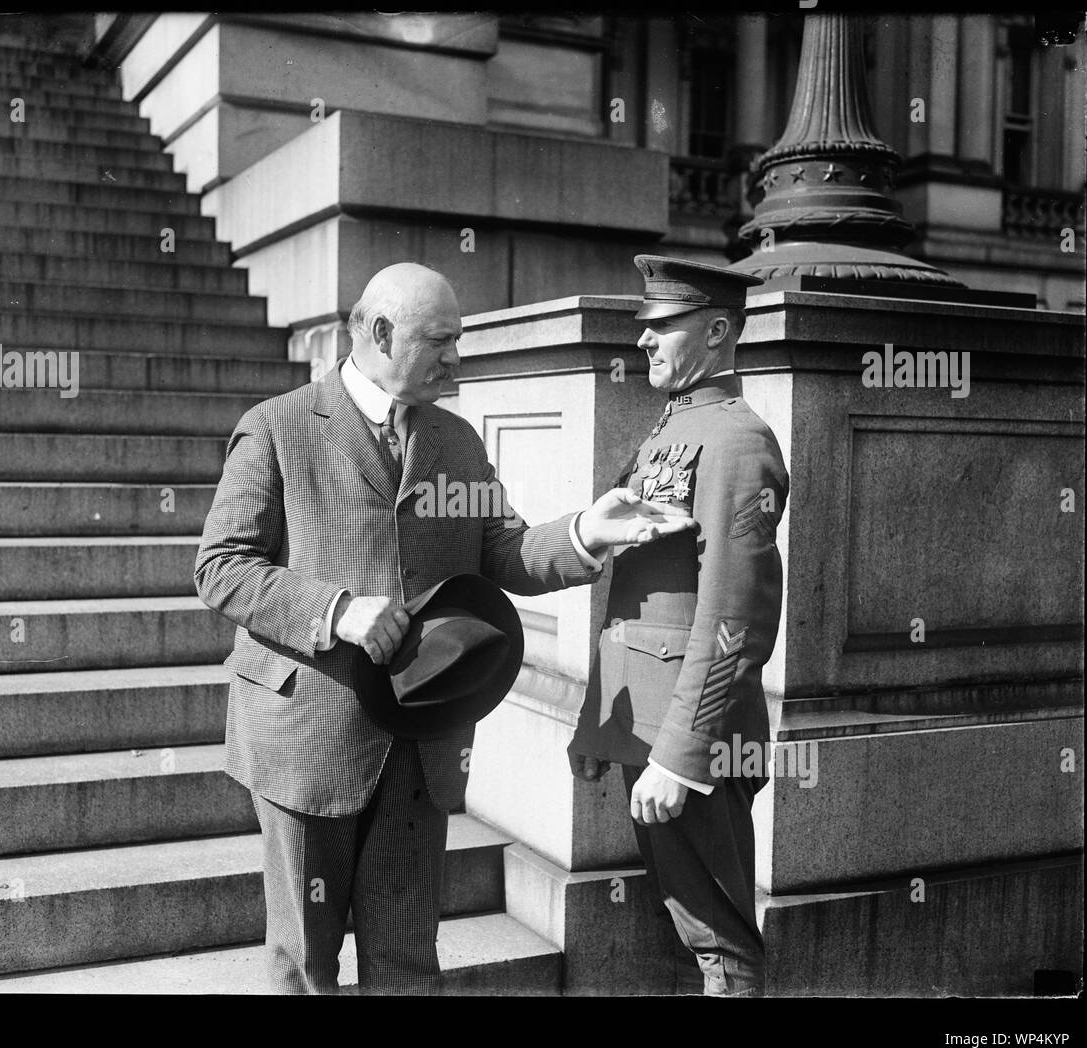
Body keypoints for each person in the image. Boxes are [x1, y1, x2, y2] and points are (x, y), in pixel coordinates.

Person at [195, 262, 694, 994]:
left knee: (408, 963)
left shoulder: (454, 441)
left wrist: (589, 529)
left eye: (459, 340)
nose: (457, 359)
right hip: (304, 743)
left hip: (418, 745)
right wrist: (336, 610)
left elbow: (503, 548)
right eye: (441, 341)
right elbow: (220, 566)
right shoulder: (276, 427)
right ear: (379, 332)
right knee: (303, 965)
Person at [569, 255, 789, 997]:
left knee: (721, 943)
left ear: (720, 330)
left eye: (664, 326)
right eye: (646, 326)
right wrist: (596, 721)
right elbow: (636, 596)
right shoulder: (673, 428)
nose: (645, 341)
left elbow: (737, 614)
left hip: (692, 740)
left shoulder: (736, 442)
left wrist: (681, 755)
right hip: (649, 726)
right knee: (688, 926)